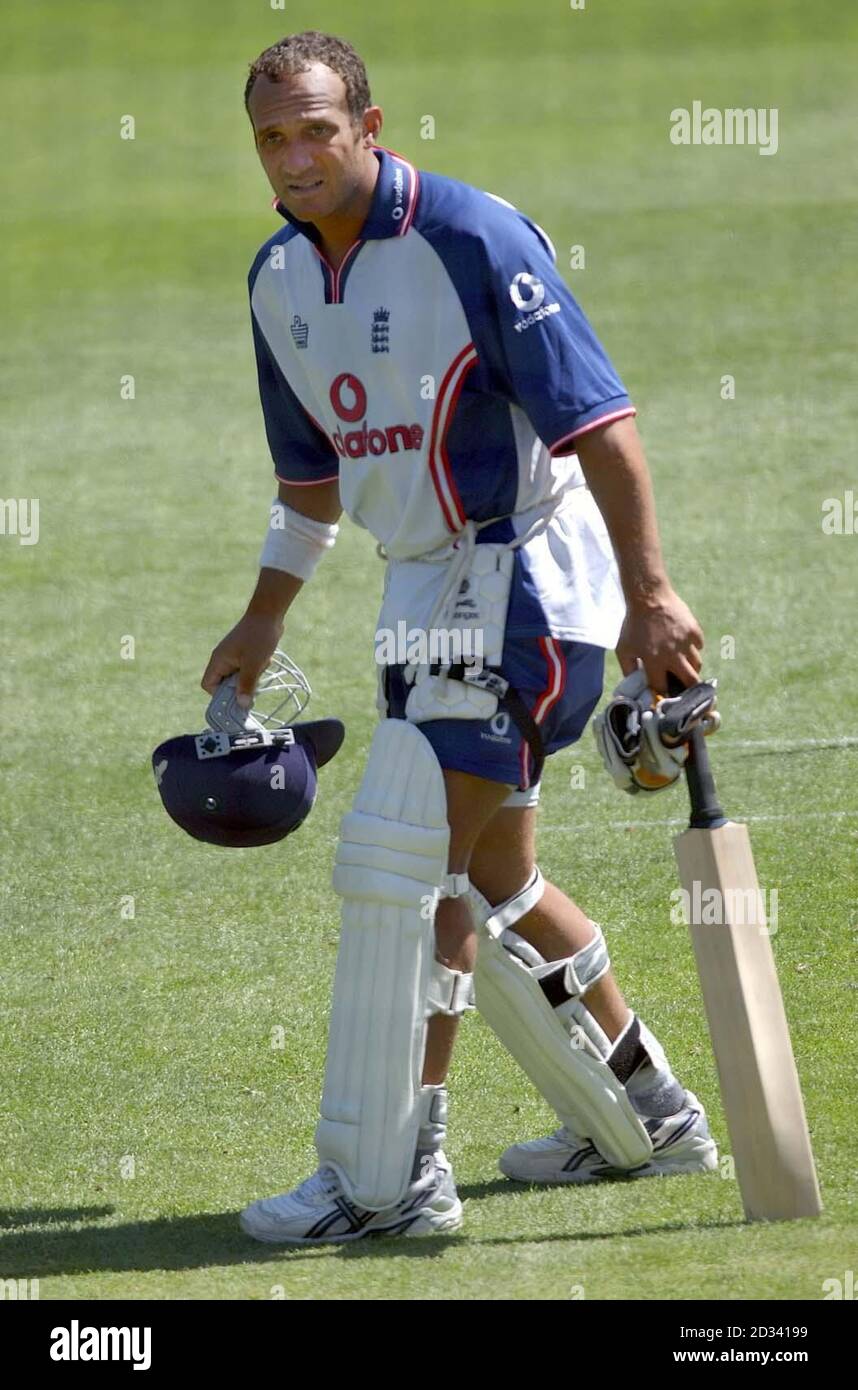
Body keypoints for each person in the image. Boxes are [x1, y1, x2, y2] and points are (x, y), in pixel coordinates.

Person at [201, 30, 718, 1245]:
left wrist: (653, 594)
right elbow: (313, 484)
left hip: (530, 576)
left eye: (317, 129)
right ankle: (648, 1113)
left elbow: (602, 422)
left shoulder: (474, 238)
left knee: (403, 862)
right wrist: (263, 614)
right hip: (418, 594)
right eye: (273, 137)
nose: (295, 156)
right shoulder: (278, 281)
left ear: (369, 124)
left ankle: (390, 1176)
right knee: (492, 875)